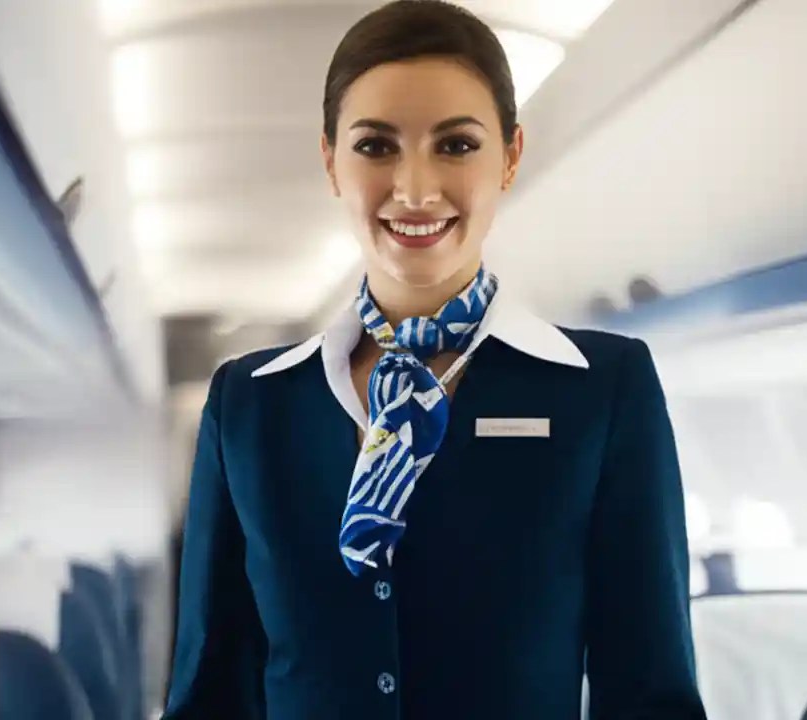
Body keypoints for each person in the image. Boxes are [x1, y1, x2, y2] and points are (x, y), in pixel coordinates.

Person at [163, 1, 706, 718]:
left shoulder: (602, 392)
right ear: (330, 160)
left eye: (455, 146)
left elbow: (649, 694)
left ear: (510, 157)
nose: (415, 190)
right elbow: (210, 690)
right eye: (375, 146)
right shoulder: (250, 405)